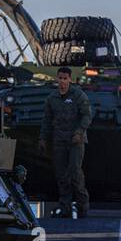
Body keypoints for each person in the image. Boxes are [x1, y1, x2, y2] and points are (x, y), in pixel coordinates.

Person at [39, 67, 92, 218]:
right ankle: (65, 208)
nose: (62, 81)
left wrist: (79, 131)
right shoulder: (52, 98)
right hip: (59, 140)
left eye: (65, 78)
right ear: (57, 79)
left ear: (70, 79)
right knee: (61, 175)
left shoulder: (78, 95)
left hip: (75, 140)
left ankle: (82, 206)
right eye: (60, 78)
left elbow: (87, 115)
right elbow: (47, 120)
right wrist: (42, 138)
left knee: (75, 172)